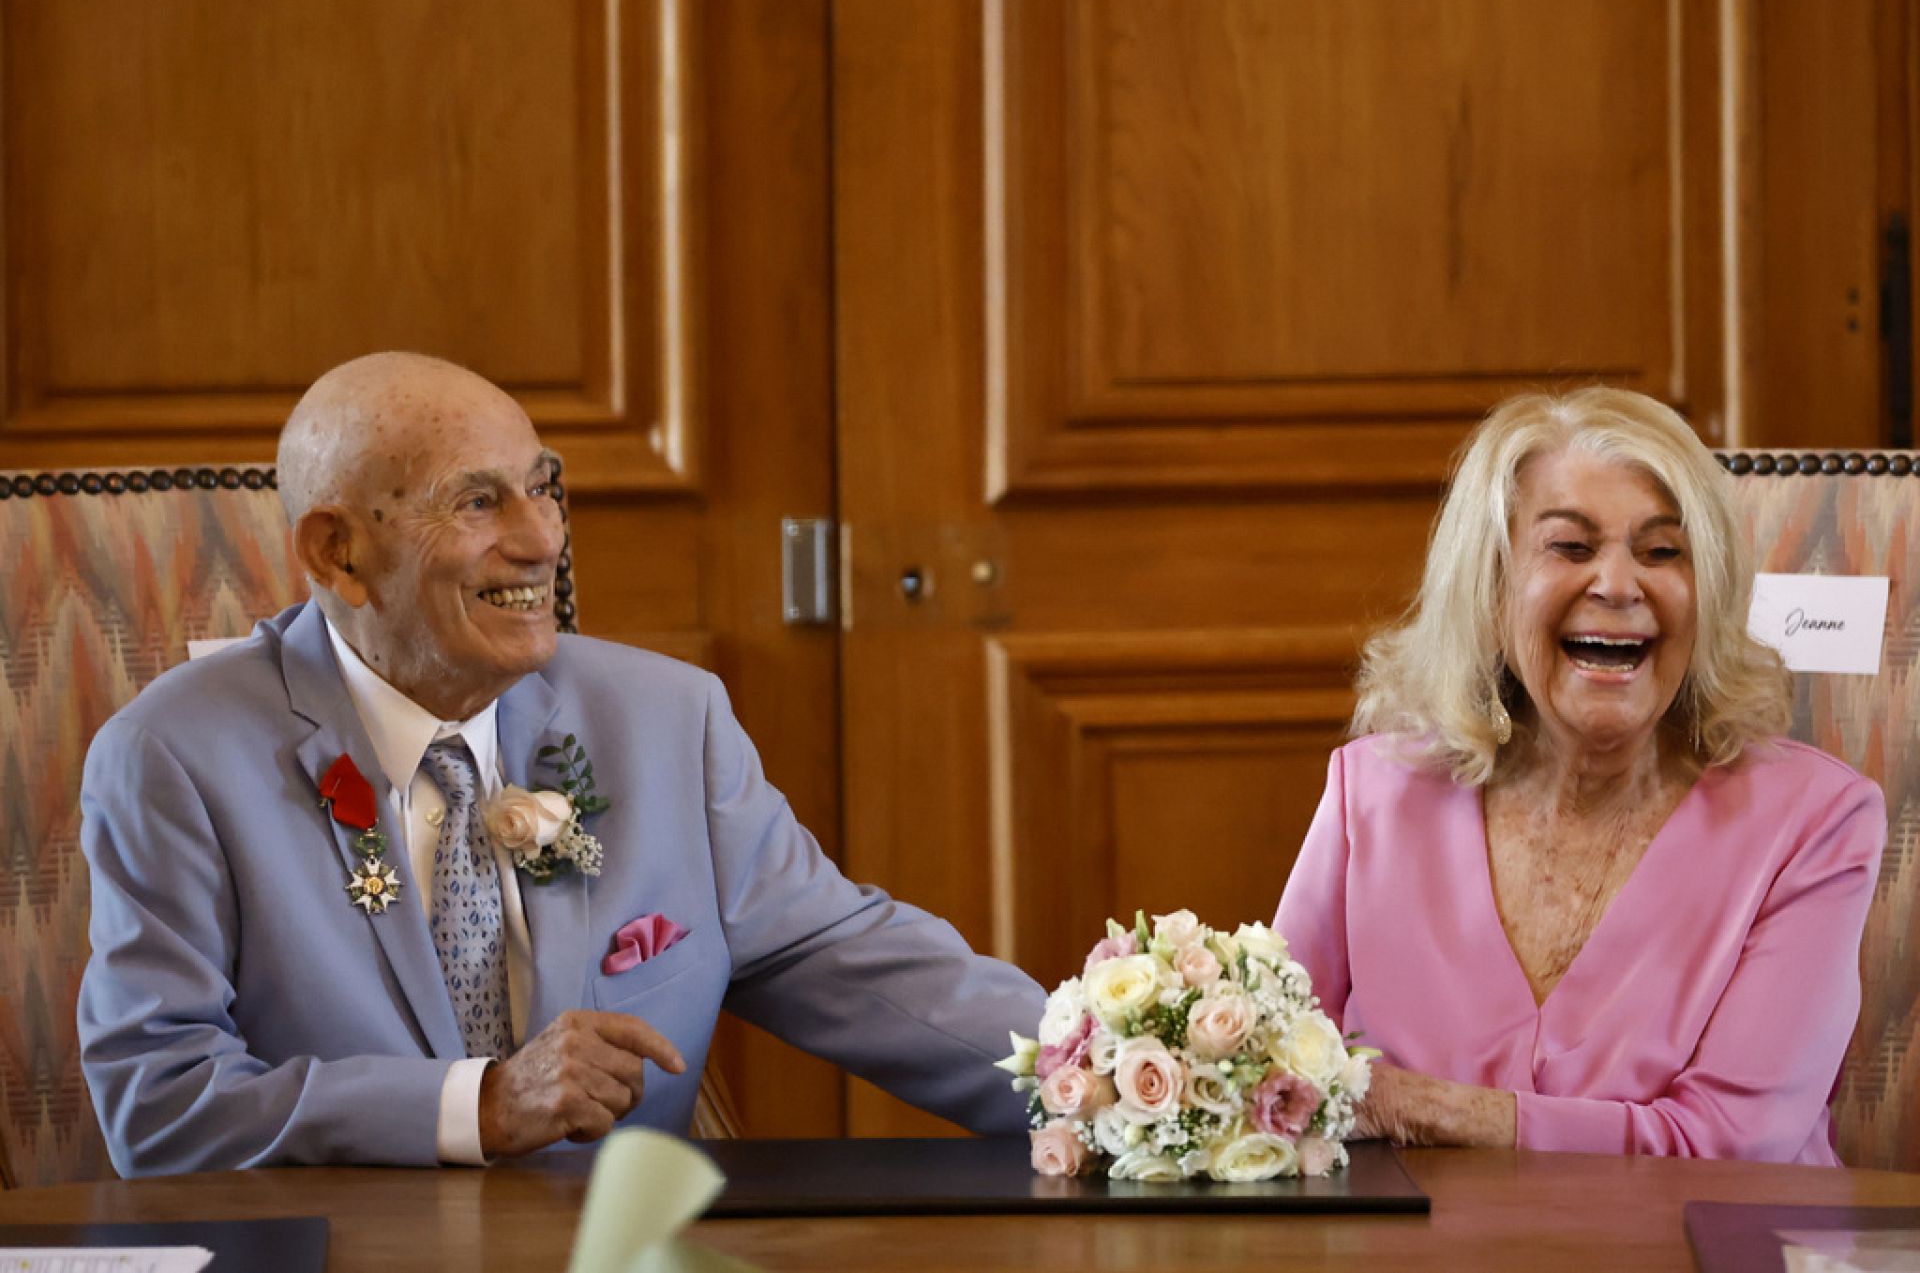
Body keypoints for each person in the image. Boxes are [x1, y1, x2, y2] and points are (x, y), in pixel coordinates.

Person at [78, 351, 1044, 1176]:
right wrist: (482, 1105)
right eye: (478, 502)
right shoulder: (174, 759)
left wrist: (1118, 1075)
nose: (542, 541)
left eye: (542, 487)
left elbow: (847, 960)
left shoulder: (668, 719)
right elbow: (160, 1103)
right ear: (338, 554)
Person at [1273, 387, 1886, 1164]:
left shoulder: (1816, 820)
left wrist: (1420, 1106)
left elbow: (1733, 1145)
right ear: (1491, 587)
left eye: (1663, 552)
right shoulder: (1374, 794)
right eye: (1570, 547)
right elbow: (1268, 1066)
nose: (1620, 585)